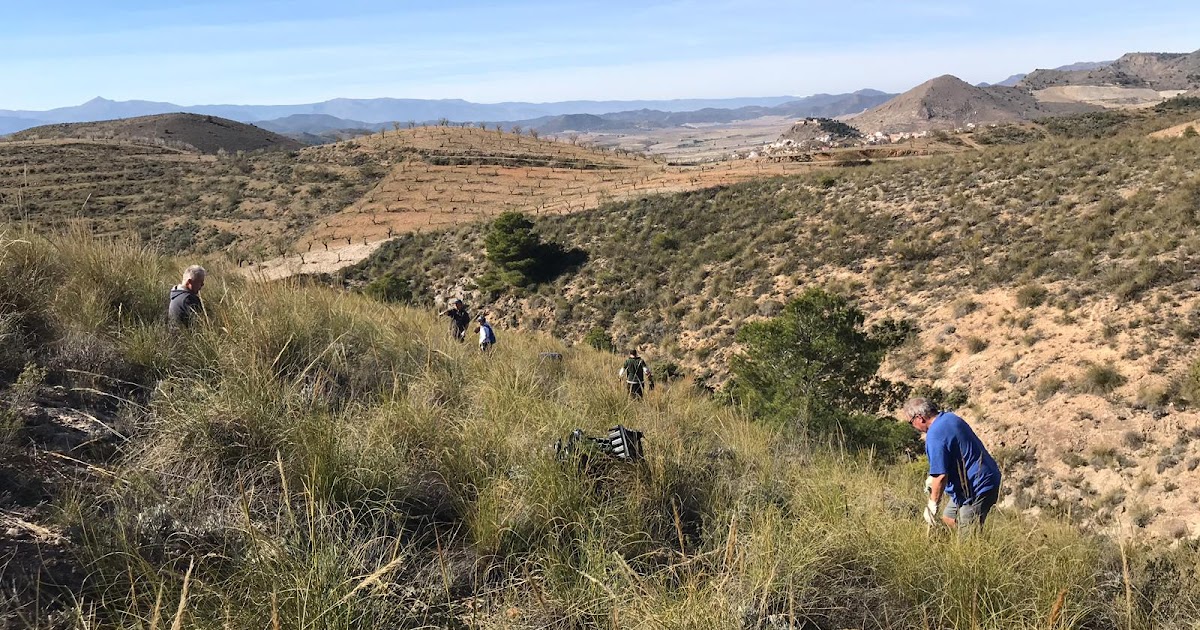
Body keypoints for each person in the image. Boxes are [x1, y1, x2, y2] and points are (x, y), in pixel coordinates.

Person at [903, 397, 1002, 535]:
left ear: (920, 418)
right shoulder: (949, 417)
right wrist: (933, 477)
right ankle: (970, 536)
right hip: (980, 479)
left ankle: (975, 546)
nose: (913, 426)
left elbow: (941, 477)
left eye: (911, 422)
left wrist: (932, 505)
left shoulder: (934, 435)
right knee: (949, 518)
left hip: (976, 487)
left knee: (969, 541)